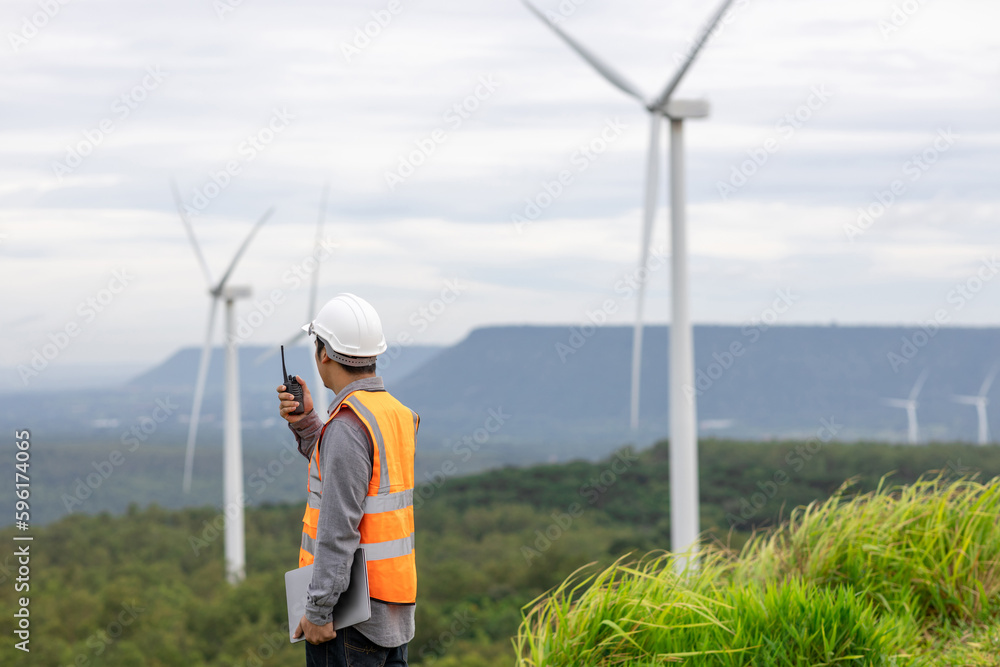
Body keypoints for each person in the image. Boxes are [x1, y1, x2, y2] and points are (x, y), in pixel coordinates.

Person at [277, 293, 417, 667]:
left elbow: (339, 529)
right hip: (392, 615)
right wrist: (308, 423)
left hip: (349, 622)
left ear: (324, 353)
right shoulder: (393, 414)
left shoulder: (348, 426)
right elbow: (348, 474)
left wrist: (319, 612)